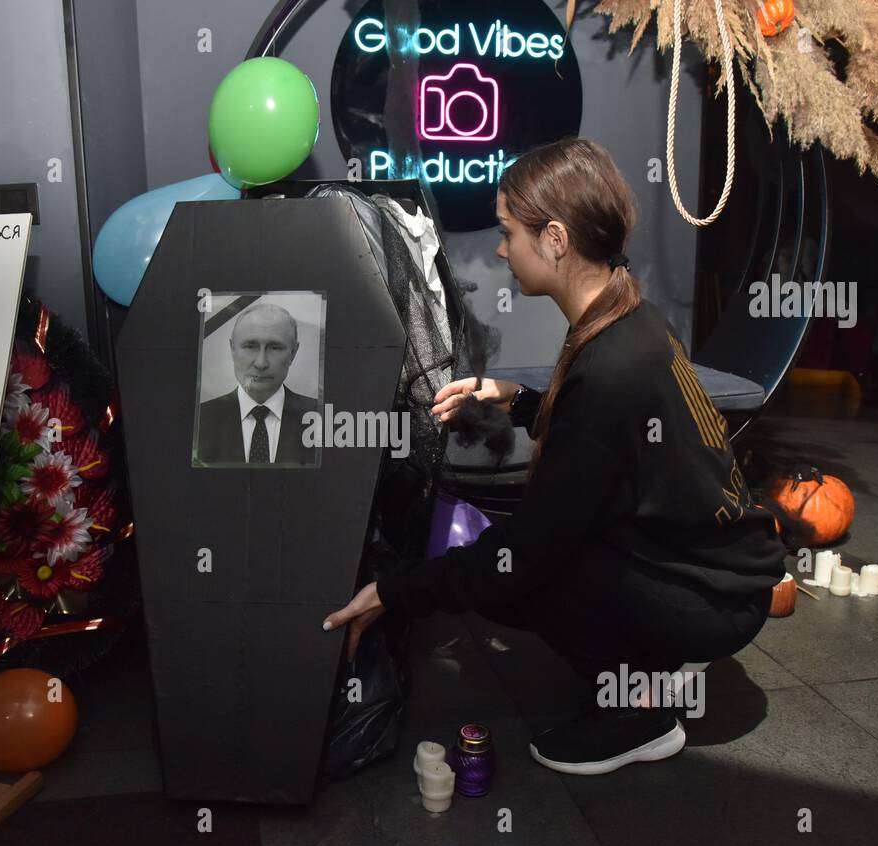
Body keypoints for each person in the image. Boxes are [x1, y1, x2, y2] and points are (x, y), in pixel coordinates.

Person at [321, 138, 786, 775]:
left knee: (521, 572)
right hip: (719, 569)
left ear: (557, 239)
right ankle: (648, 664)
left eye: (510, 231)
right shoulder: (628, 318)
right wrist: (514, 399)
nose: (501, 249)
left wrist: (392, 592)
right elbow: (604, 438)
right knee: (534, 554)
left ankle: (639, 715)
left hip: (714, 598)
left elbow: (523, 556)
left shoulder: (613, 364)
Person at [195, 302, 319, 465]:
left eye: (274, 347)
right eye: (250, 346)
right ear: (232, 349)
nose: (261, 363)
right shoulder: (199, 419)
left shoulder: (319, 418)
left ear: (293, 353)